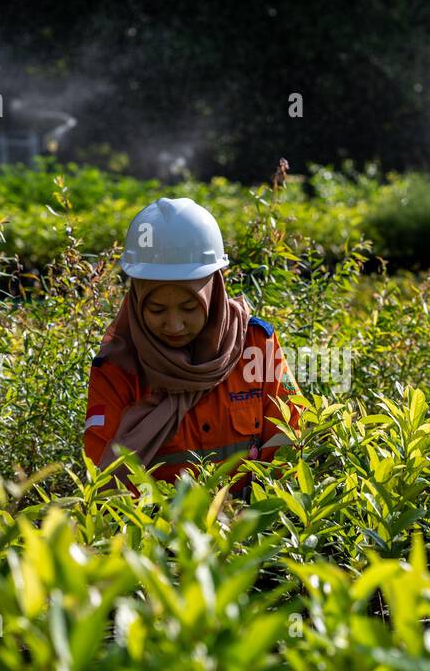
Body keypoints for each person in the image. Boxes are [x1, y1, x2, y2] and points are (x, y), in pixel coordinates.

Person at [83, 197, 299, 493]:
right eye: (157, 310)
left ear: (213, 292)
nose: (174, 325)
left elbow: (289, 442)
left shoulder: (255, 345)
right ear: (136, 301)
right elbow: (103, 478)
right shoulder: (118, 369)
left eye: (189, 308)